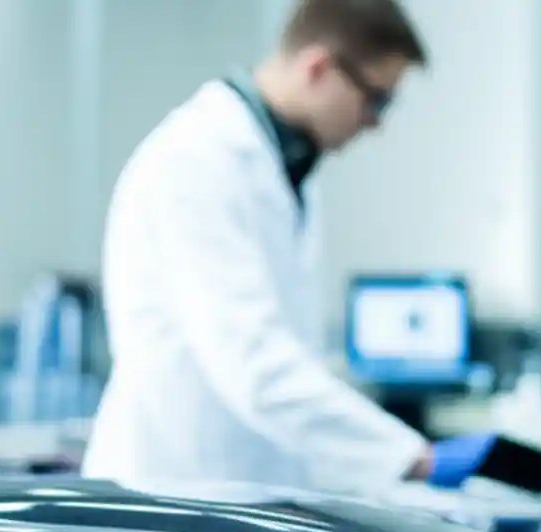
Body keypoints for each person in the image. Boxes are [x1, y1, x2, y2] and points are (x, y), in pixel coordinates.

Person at [83, 0, 435, 494]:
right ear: (318, 67)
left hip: (237, 490)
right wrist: (409, 456)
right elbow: (254, 367)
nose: (375, 123)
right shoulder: (198, 161)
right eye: (376, 100)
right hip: (174, 486)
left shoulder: (282, 168)